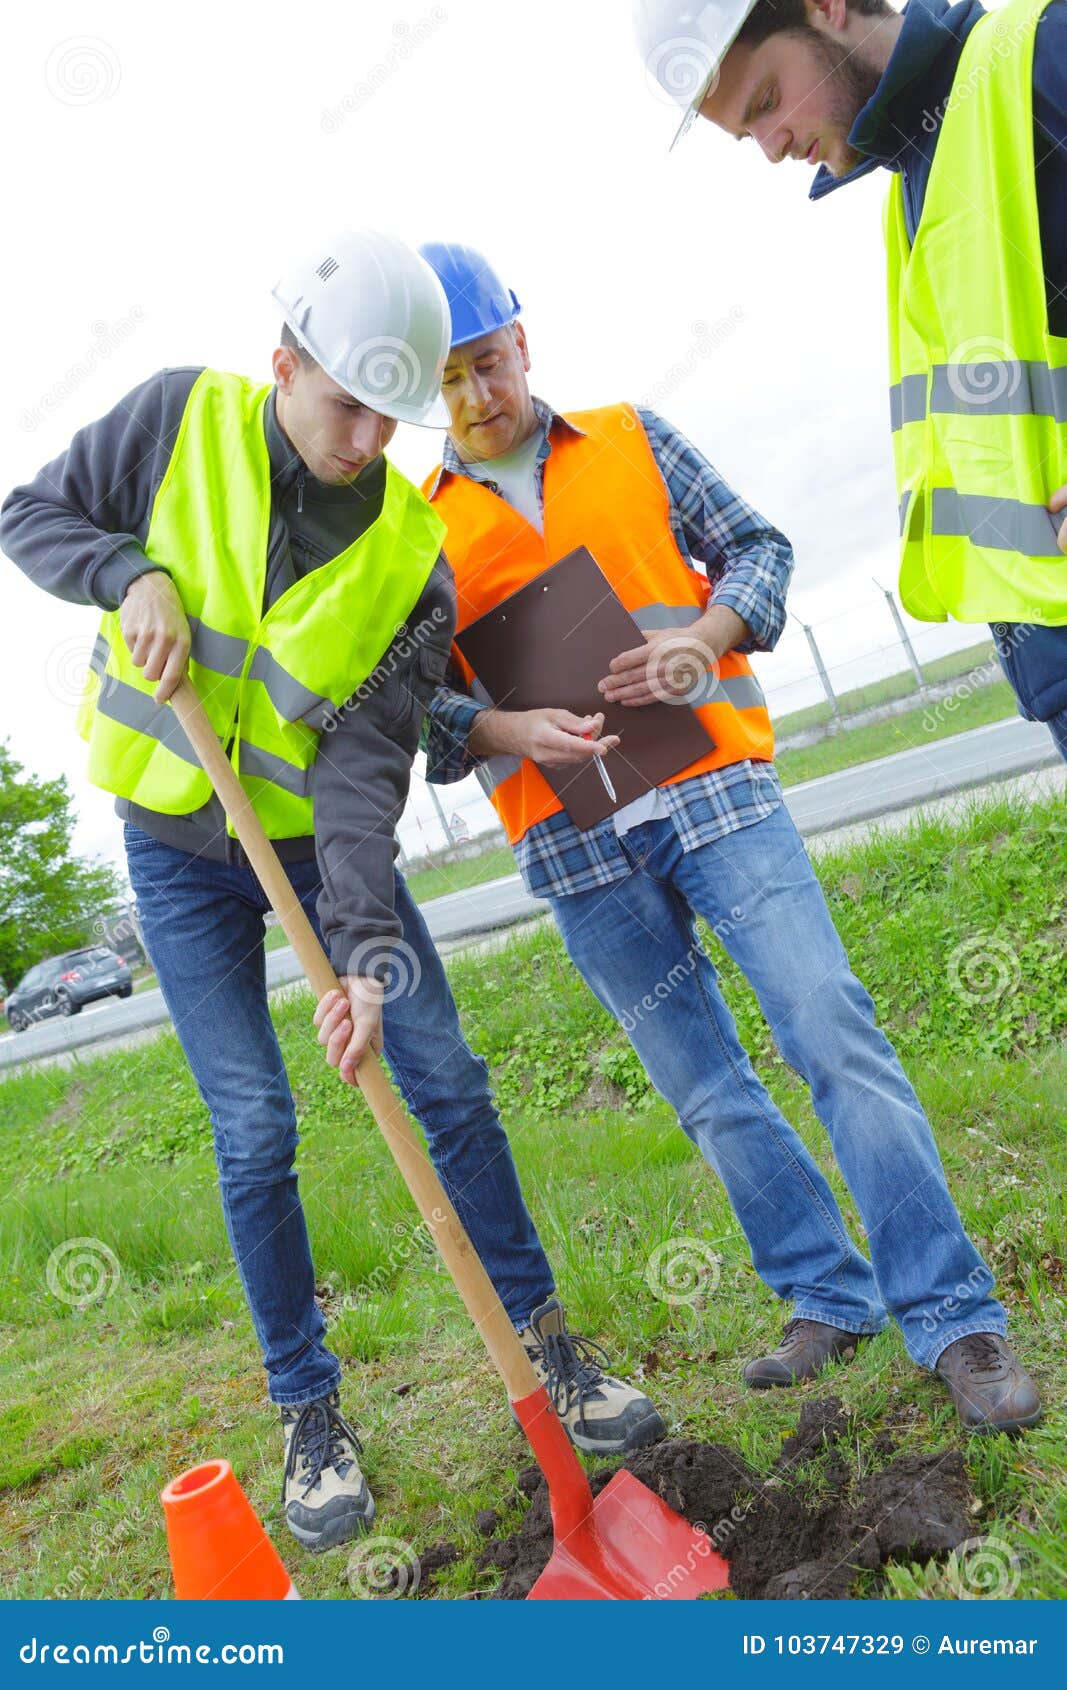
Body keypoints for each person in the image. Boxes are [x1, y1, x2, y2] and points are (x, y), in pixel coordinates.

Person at [1, 230, 663, 1557]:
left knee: (447, 1080)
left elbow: (364, 773)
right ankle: (309, 1410)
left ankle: (547, 1345)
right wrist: (126, 572)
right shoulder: (173, 420)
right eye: (342, 403)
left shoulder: (411, 554)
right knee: (252, 1128)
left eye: (387, 412)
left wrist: (361, 953)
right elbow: (30, 514)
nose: (364, 437)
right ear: (282, 363)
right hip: (174, 843)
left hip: (315, 846)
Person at [414, 239, 1041, 1434]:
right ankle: (825, 1292)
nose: (474, 398)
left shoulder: (633, 436)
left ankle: (952, 1314)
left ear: (522, 344)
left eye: (486, 364)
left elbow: (759, 549)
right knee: (705, 1089)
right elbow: (419, 716)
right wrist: (499, 720)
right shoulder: (412, 535)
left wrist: (706, 633)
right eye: (445, 381)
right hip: (573, 843)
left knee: (829, 1031)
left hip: (714, 790)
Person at [634, 0, 1067, 755]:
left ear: (826, 7)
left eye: (765, 101)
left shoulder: (1042, 51)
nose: (769, 149)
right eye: (745, 135)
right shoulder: (913, 189)